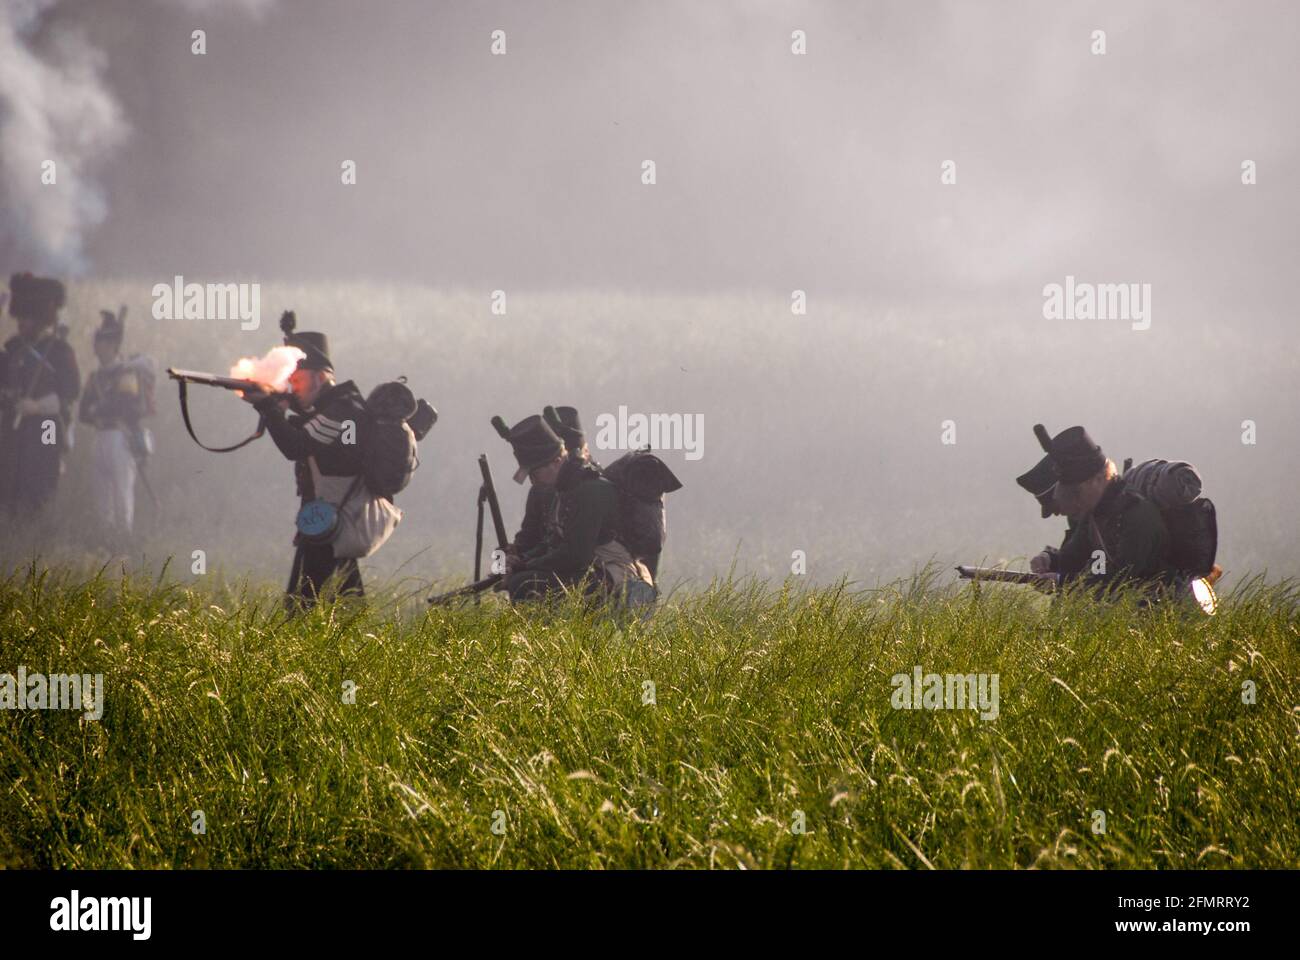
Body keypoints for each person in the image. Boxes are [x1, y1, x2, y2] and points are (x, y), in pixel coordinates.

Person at [239, 320, 368, 611]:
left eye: (297, 380)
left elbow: (296, 445)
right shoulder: (328, 408)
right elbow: (304, 429)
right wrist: (276, 405)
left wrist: (269, 409)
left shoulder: (343, 410)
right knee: (348, 600)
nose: (292, 387)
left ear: (320, 378)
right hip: (329, 513)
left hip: (333, 515)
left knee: (300, 604)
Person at [493, 413, 651, 604]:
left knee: (523, 583)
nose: (533, 481)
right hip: (590, 571)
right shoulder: (564, 490)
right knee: (517, 575)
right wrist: (517, 560)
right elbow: (550, 541)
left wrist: (525, 565)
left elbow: (576, 555)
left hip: (614, 576)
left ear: (557, 461)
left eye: (535, 472)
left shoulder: (590, 490)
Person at [1026, 425, 1179, 598]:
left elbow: (1123, 578)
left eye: (1077, 493)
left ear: (1099, 478)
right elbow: (1076, 559)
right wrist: (1050, 560)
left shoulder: (1137, 514)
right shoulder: (1095, 514)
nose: (1074, 502)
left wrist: (1063, 583)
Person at [0, 273, 80, 516]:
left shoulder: (59, 350)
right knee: (11, 474)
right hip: (15, 423)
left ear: (40, 317)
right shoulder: (12, 347)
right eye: (20, 316)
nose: (21, 322)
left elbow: (70, 391)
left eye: (27, 316)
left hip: (46, 423)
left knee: (43, 468)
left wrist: (37, 406)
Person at [78, 310, 155, 541]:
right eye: (97, 342)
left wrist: (99, 409)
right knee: (102, 496)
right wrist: (100, 409)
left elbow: (126, 405)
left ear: (112, 344)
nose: (97, 347)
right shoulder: (95, 377)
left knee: (122, 495)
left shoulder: (127, 372)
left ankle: (124, 540)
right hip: (100, 435)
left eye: (102, 342)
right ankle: (106, 540)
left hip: (120, 437)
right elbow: (83, 412)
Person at [506, 404, 591, 561]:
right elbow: (530, 539)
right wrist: (512, 556)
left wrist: (525, 564)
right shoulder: (541, 490)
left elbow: (572, 551)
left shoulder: (592, 487)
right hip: (546, 563)